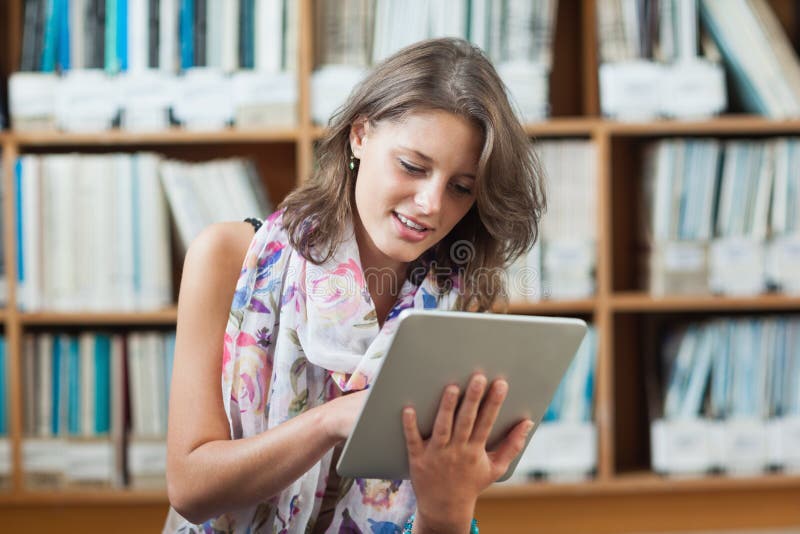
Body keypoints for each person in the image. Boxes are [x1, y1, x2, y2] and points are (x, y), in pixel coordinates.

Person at [165, 37, 545, 533]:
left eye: (461, 187)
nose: (431, 203)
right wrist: (330, 420)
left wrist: (449, 505)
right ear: (360, 136)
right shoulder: (227, 258)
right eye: (412, 166)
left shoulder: (464, 303)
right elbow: (191, 489)